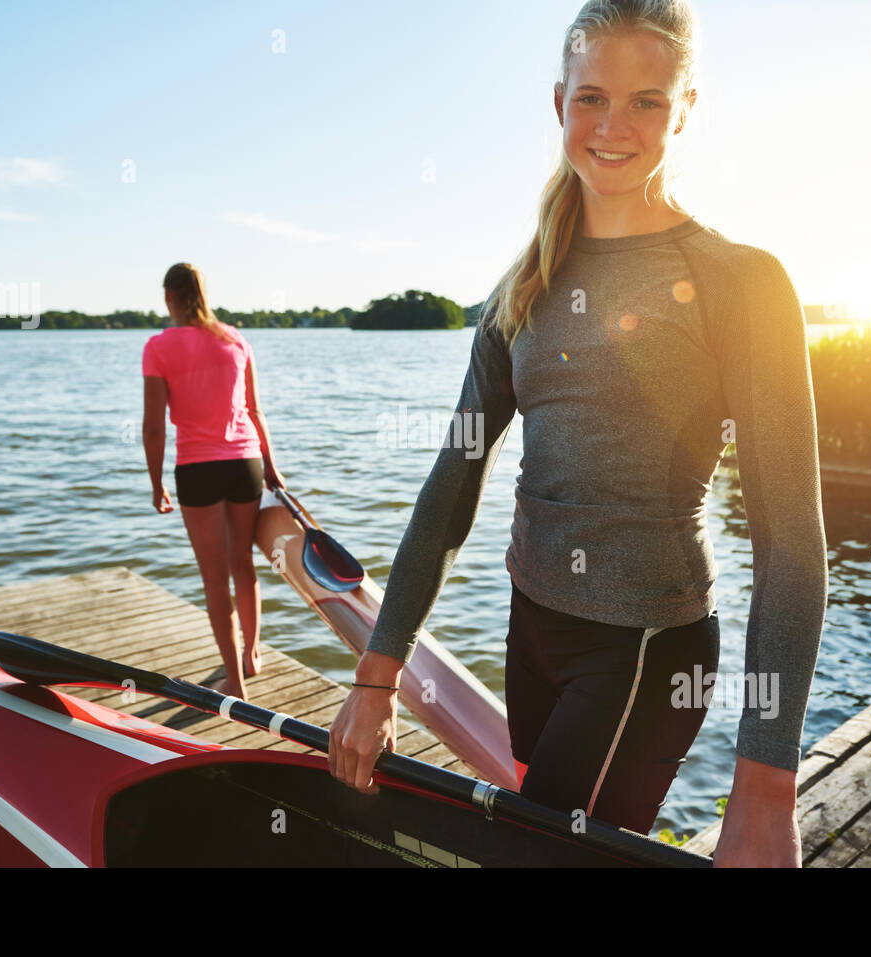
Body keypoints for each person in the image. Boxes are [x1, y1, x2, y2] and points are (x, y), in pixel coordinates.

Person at [327, 0, 828, 869]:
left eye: (645, 101)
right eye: (591, 97)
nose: (612, 126)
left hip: (645, 646)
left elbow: (790, 540)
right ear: (557, 103)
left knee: (529, 854)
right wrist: (378, 674)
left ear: (687, 108)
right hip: (534, 631)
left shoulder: (741, 281)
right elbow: (454, 481)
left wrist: (765, 786)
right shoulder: (520, 286)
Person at [142, 262, 286, 702]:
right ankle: (252, 654)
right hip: (245, 462)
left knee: (213, 575)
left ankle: (235, 682)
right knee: (243, 561)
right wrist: (272, 467)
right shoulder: (235, 339)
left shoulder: (158, 347)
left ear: (169, 297)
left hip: (197, 468)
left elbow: (153, 426)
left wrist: (156, 484)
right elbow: (256, 411)